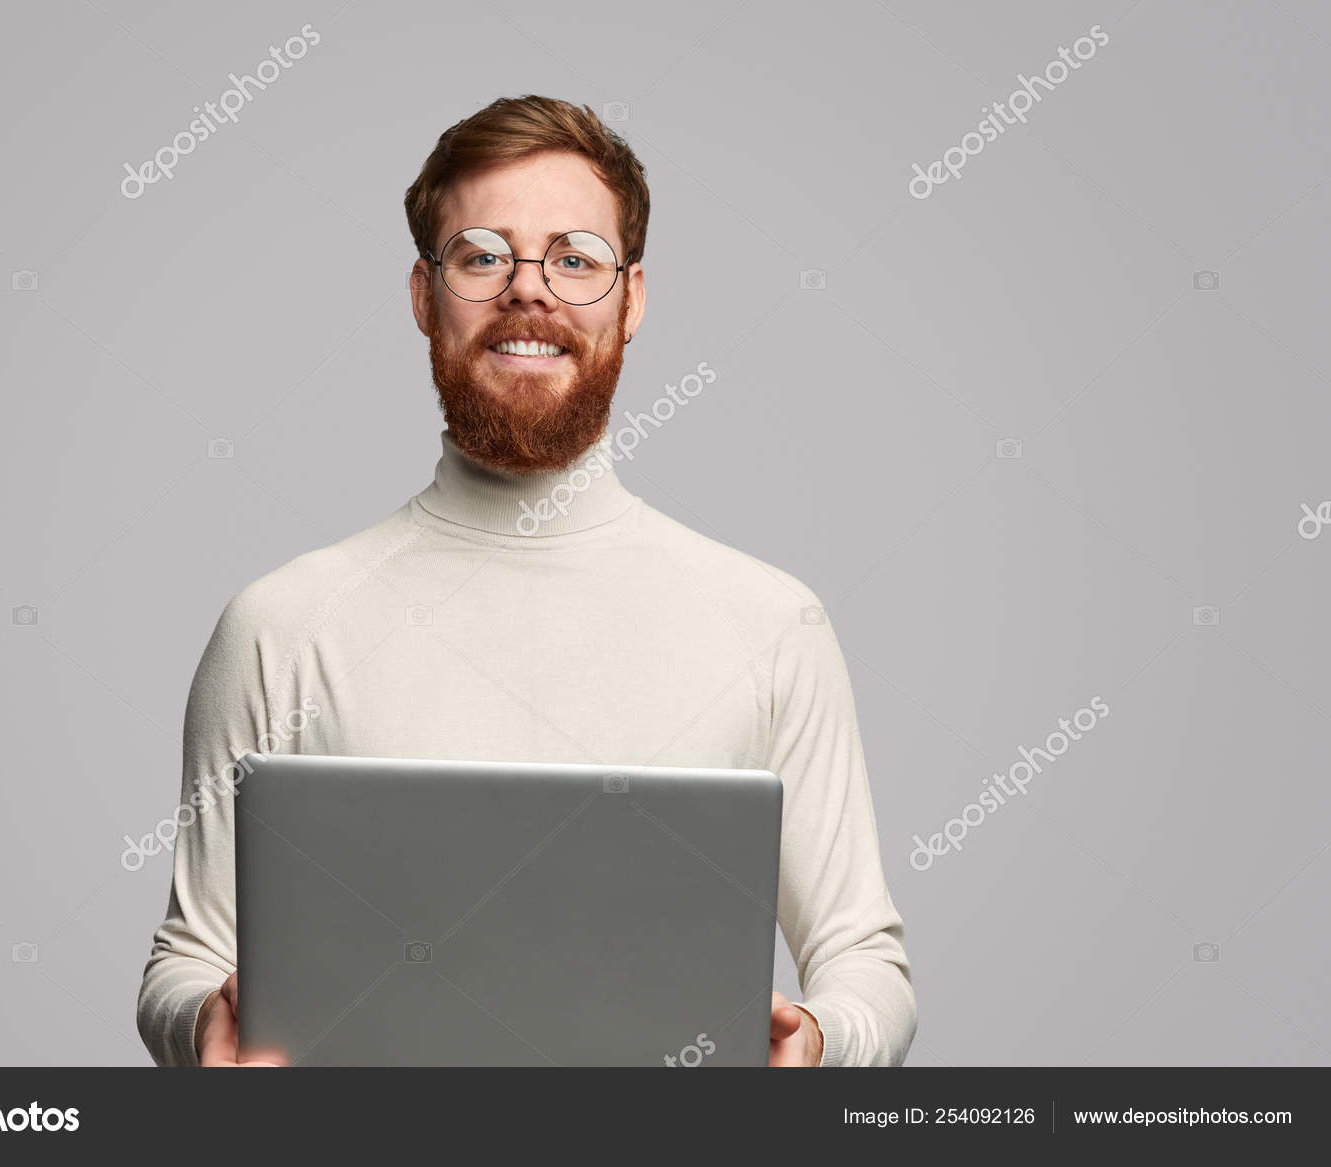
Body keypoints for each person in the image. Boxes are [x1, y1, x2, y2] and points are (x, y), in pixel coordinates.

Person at [136, 95, 916, 1067]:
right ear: (425, 296)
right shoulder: (280, 626)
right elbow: (188, 955)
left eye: (575, 258)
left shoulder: (770, 623)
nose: (528, 293)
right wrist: (202, 1022)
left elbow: (862, 957)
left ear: (631, 302)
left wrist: (821, 1042)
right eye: (481, 256)